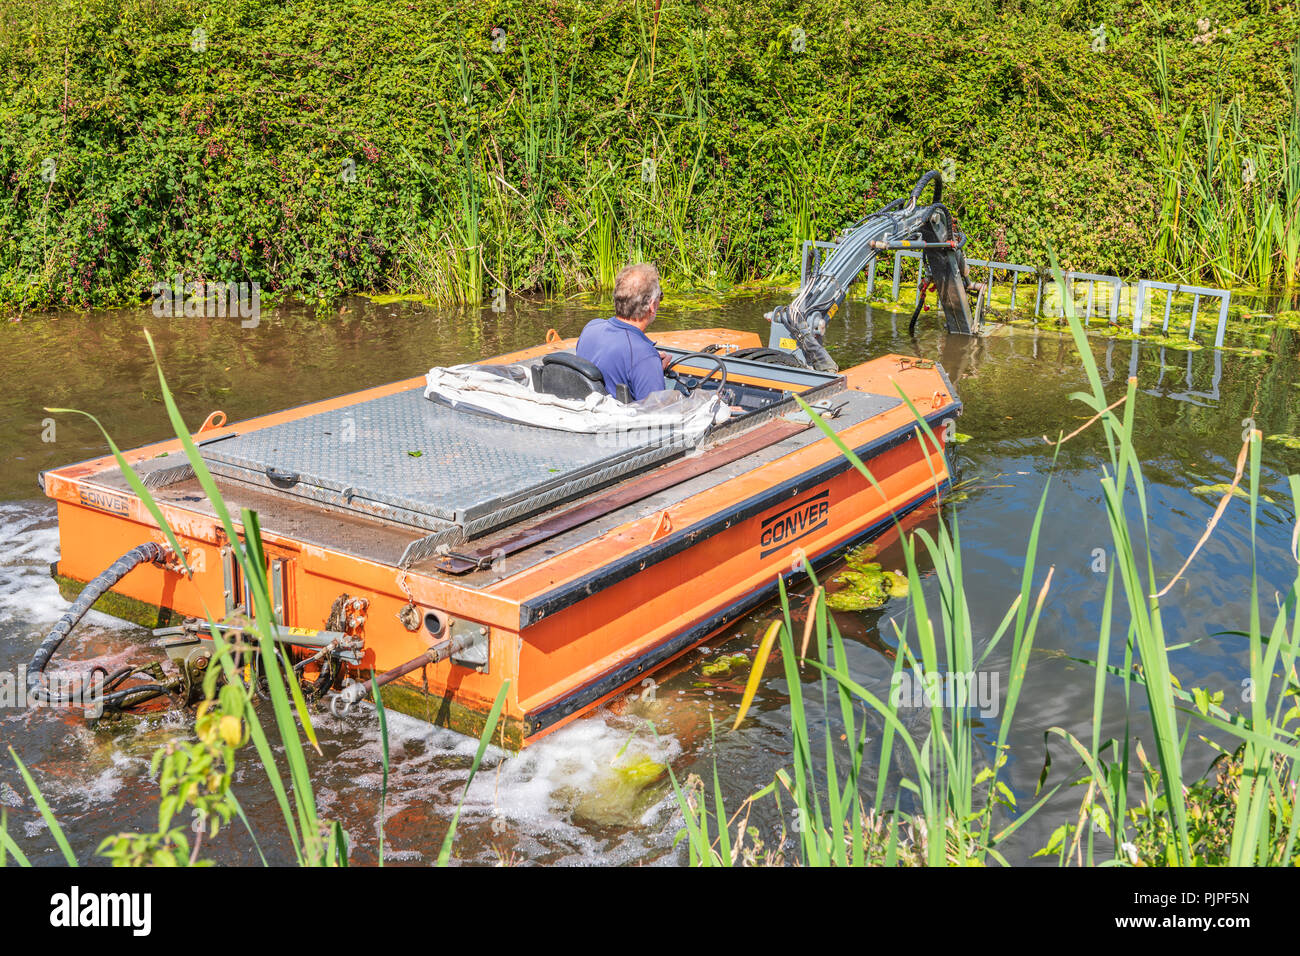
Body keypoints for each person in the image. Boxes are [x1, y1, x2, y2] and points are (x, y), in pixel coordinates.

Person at [576, 262, 672, 402]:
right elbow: (657, 416)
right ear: (652, 306)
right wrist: (649, 366)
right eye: (660, 297)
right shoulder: (643, 356)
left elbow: (612, 358)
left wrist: (646, 368)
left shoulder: (591, 328)